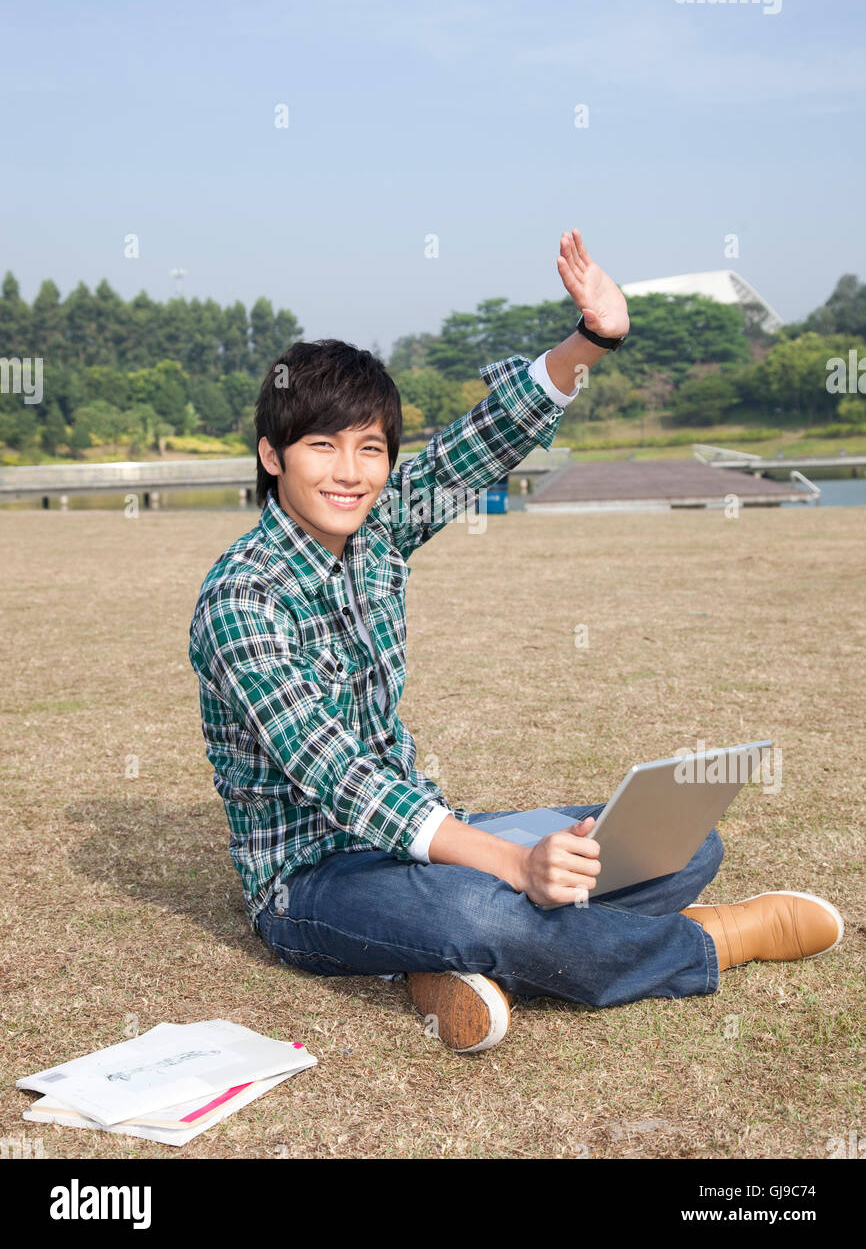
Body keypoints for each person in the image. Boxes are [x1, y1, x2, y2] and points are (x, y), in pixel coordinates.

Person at [188, 229, 843, 1055]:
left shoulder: (376, 528)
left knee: (673, 846)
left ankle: (438, 961)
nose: (350, 471)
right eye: (323, 445)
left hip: (427, 837)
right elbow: (342, 779)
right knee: (483, 904)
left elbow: (479, 444)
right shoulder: (242, 597)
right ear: (272, 456)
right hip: (312, 884)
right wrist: (507, 864)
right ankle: (706, 942)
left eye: (371, 449)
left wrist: (592, 341)